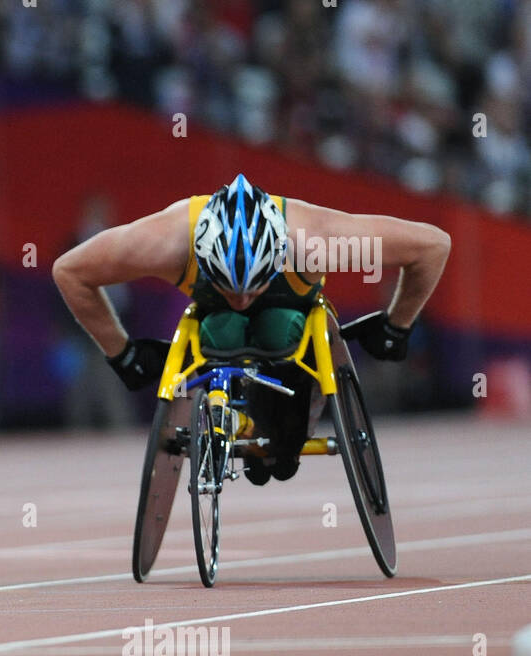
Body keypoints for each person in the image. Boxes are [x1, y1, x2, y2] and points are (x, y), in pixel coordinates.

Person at [52, 173, 450, 483]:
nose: (243, 299)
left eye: (253, 286)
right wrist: (122, 353)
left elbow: (432, 245)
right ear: (201, 256)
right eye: (230, 287)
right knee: (224, 330)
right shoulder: (168, 240)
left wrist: (398, 326)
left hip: (293, 328)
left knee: (281, 420)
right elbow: (69, 272)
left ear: (279, 255)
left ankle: (290, 413)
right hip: (215, 326)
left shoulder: (317, 240)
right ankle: (242, 407)